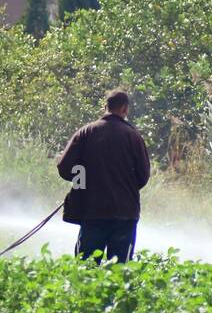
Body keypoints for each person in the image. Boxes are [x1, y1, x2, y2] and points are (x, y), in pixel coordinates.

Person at [56, 89, 151, 264]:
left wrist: (83, 180)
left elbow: (65, 167)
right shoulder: (134, 136)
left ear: (105, 107)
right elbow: (143, 176)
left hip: (92, 212)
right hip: (125, 214)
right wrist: (123, 187)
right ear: (125, 109)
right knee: (120, 271)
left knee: (86, 268)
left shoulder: (86, 132)